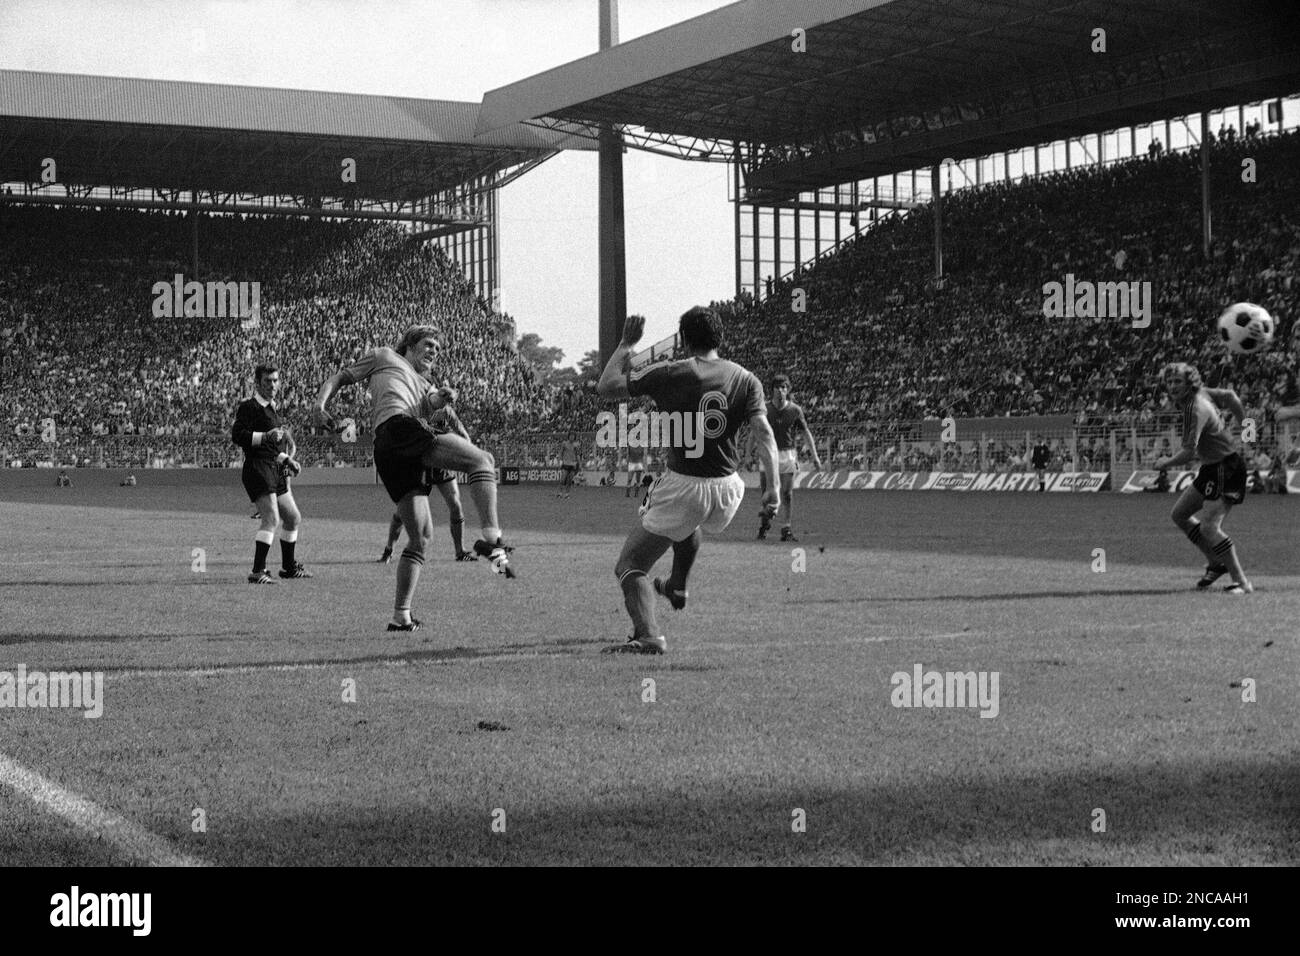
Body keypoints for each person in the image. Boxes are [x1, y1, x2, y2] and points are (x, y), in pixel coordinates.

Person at [595, 307, 779, 655]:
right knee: (686, 523)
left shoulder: (673, 372)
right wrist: (773, 488)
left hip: (686, 484)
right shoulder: (747, 378)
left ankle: (648, 635)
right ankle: (677, 585)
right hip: (729, 489)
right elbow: (763, 432)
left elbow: (607, 387)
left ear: (683, 339)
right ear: (719, 337)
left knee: (630, 565)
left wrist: (625, 345)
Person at [315, 325, 515, 633]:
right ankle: (492, 541)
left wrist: (441, 399)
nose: (435, 350)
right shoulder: (384, 356)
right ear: (410, 344)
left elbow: (429, 404)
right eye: (429, 344)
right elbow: (341, 376)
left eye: (438, 347)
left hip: (390, 450)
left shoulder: (424, 382)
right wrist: (319, 405)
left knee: (421, 538)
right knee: (483, 461)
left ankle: (401, 616)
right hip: (399, 428)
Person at [1153, 363, 1251, 594]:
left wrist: (1164, 463)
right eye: (1170, 382)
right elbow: (1230, 396)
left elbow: (1189, 452)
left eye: (1178, 381)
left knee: (1209, 527)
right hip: (1212, 468)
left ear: (1189, 383)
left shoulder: (1194, 408)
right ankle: (1216, 564)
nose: (1173, 386)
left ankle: (1242, 582)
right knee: (1179, 514)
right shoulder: (1200, 394)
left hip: (1226, 468)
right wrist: (1248, 428)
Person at [232, 363, 310, 584]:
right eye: (268, 381)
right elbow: (237, 435)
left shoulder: (271, 409)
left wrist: (288, 460)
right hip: (257, 468)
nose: (273, 385)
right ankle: (258, 571)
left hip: (273, 468)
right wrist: (264, 436)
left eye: (275, 380)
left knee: (293, 518)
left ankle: (288, 567)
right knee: (271, 519)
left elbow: (272, 449)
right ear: (257, 383)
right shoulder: (249, 407)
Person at [378, 391, 477, 563]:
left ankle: (460, 552)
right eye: (445, 401)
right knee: (403, 512)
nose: (446, 405)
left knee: (455, 505)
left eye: (448, 402)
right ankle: (389, 550)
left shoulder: (447, 412)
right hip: (420, 462)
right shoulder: (416, 408)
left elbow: (463, 435)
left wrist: (469, 452)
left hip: (440, 464)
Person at [754, 374, 822, 541]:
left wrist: (815, 456)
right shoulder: (764, 408)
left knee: (787, 493)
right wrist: (749, 454)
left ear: (788, 390)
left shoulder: (795, 410)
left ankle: (786, 528)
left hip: (788, 454)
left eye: (784, 387)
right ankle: (765, 524)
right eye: (777, 387)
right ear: (772, 390)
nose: (780, 390)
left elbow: (806, 432)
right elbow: (753, 432)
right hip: (769, 454)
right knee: (767, 493)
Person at [558, 431, 579, 498]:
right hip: (565, 463)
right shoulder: (564, 443)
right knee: (563, 479)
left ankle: (567, 494)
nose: (572, 437)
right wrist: (560, 461)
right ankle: (560, 493)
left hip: (573, 464)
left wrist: (578, 462)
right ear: (568, 436)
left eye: (573, 436)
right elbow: (561, 452)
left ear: (574, 437)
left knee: (569, 480)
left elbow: (577, 454)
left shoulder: (576, 445)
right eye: (570, 436)